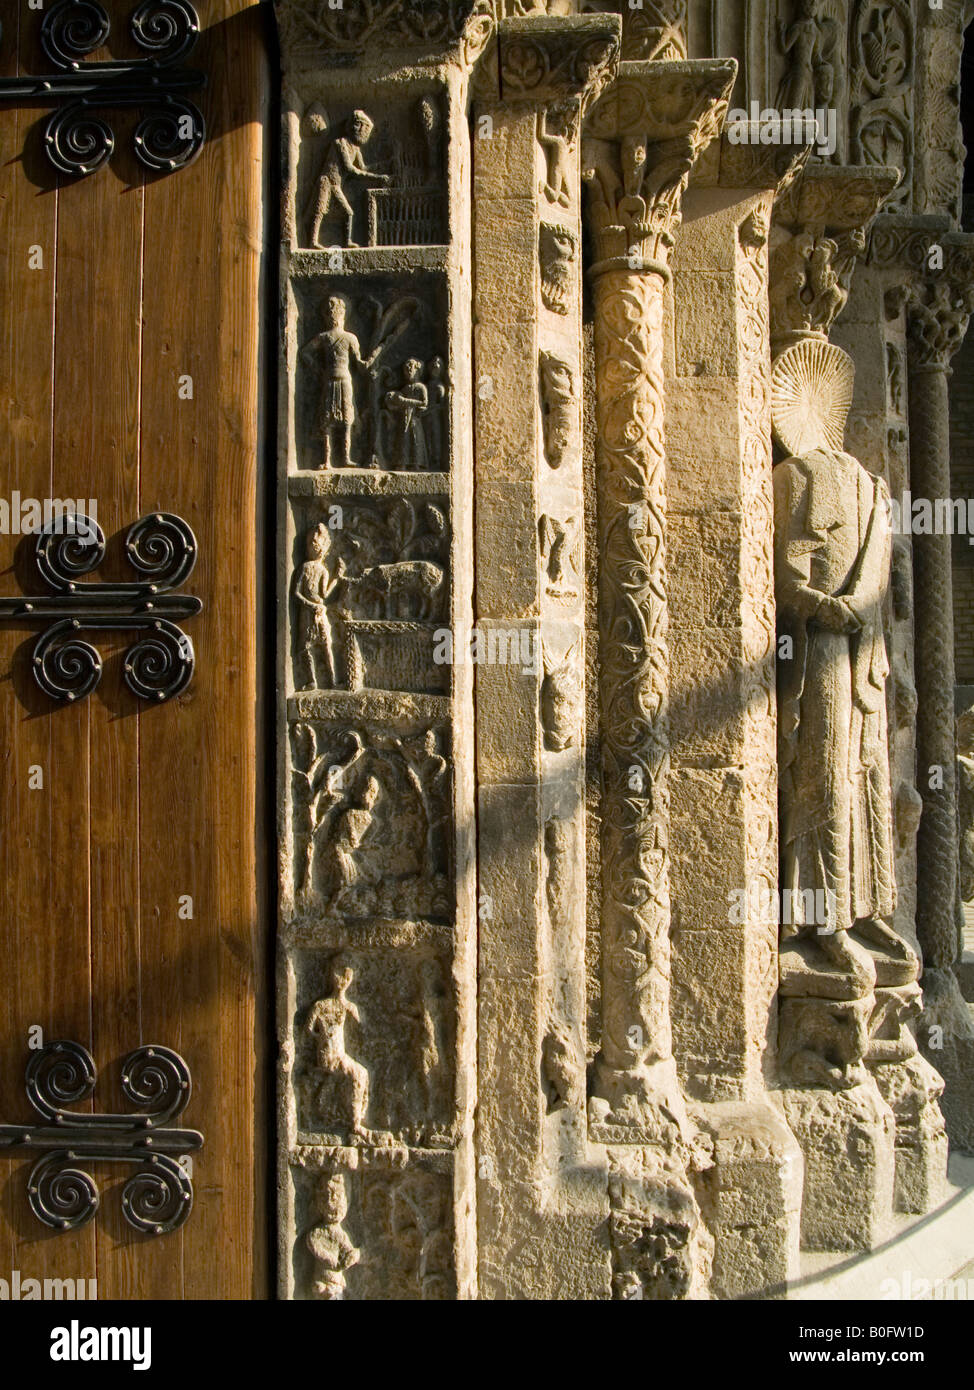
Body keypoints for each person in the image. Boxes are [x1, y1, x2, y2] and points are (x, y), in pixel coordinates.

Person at [308, 109, 390, 248]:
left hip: (336, 185)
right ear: (355, 126)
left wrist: (385, 165)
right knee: (319, 210)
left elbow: (363, 168)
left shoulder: (355, 148)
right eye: (362, 127)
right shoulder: (340, 143)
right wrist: (376, 177)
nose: (364, 132)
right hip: (327, 181)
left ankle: (347, 241)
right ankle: (313, 241)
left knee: (348, 212)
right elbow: (349, 169)